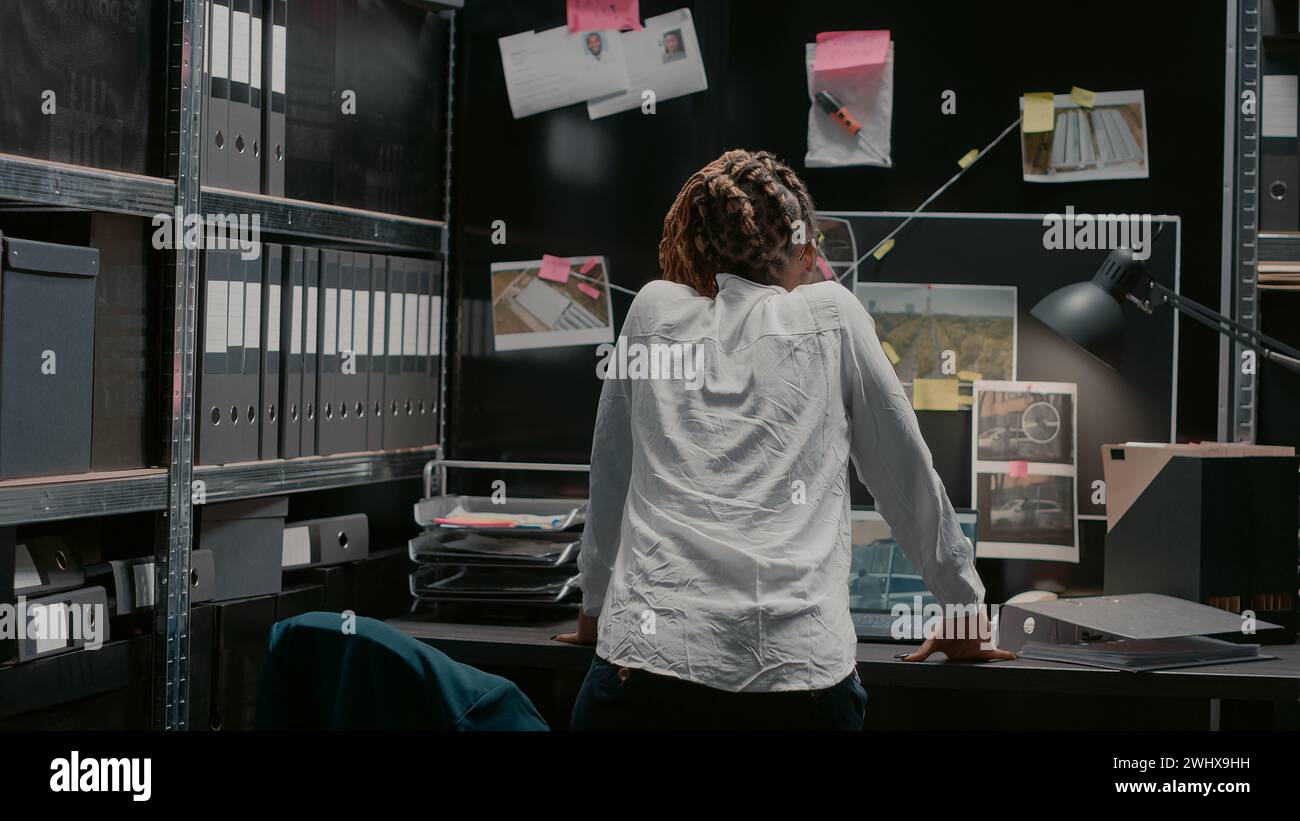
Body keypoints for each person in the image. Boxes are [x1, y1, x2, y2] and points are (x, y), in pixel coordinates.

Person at [556, 149, 1012, 731]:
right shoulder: (832, 314)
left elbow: (611, 475)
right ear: (804, 250)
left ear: (697, 243)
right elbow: (906, 476)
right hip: (798, 684)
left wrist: (593, 609)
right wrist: (966, 612)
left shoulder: (652, 310)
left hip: (643, 671)